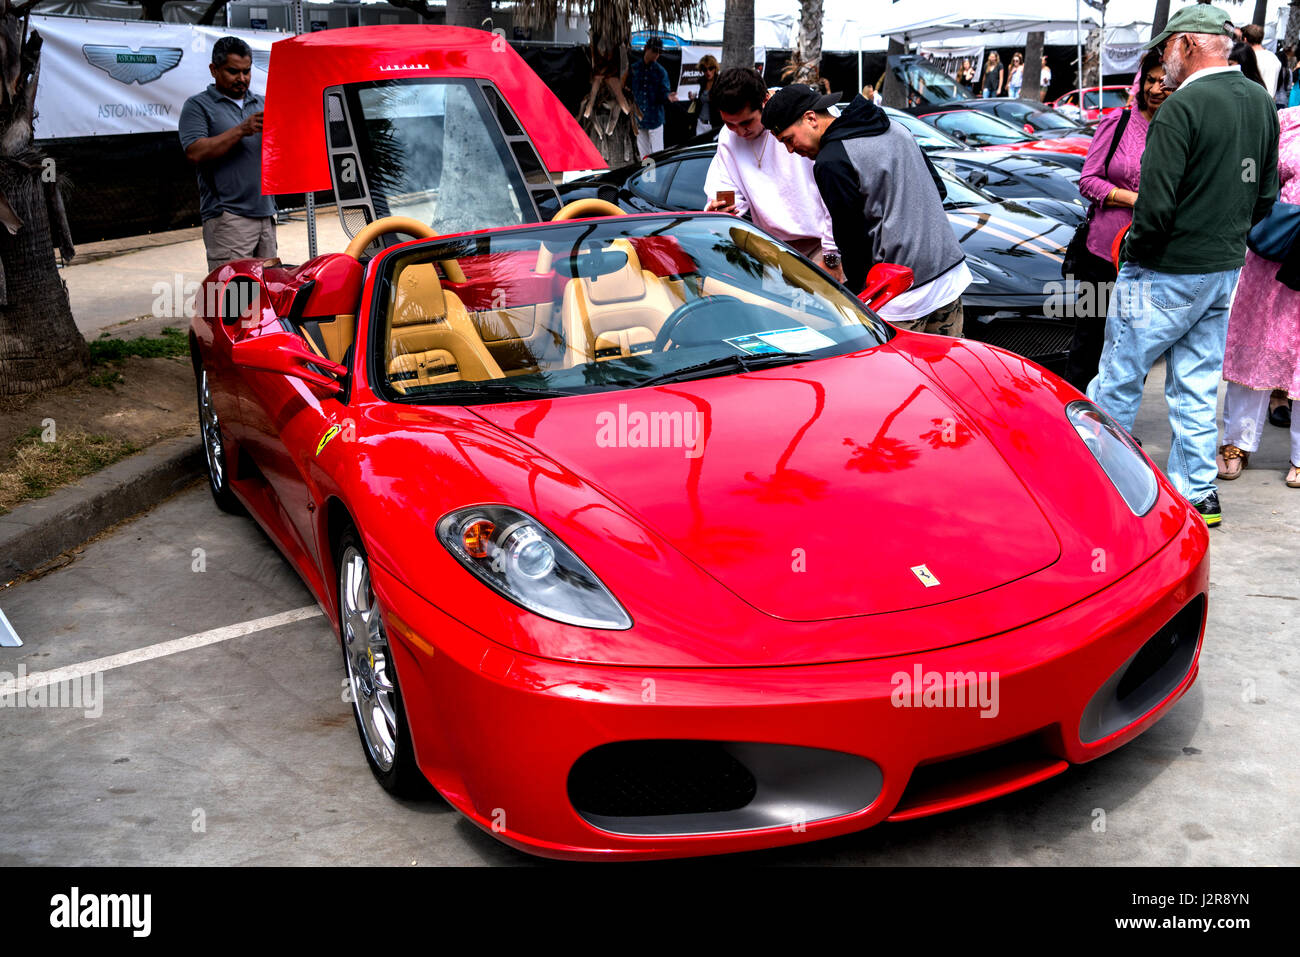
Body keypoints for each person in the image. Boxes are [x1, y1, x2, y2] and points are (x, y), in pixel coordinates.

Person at [1087, 4, 1280, 527]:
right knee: (1196, 386)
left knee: (1118, 379)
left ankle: (1107, 486)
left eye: (1168, 48)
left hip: (1166, 267)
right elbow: (1265, 192)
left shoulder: (1182, 107)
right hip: (1223, 268)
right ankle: (1198, 495)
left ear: (1190, 45)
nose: (1164, 60)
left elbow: (1156, 204)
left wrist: (1137, 255)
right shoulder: (1260, 101)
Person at [762, 84, 971, 334]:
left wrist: (861, 297)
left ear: (810, 118)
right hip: (949, 274)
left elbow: (851, 239)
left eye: (788, 139)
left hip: (899, 293)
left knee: (898, 373)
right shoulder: (895, 127)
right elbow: (938, 190)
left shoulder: (831, 161)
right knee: (942, 370)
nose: (791, 150)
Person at [1063, 50, 1169, 392]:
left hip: (1150, 256)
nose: (1155, 89)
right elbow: (1088, 180)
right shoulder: (1118, 122)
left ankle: (1115, 426)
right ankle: (1074, 421)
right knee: (1089, 340)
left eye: (1165, 83)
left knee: (1131, 346)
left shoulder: (1179, 131)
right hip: (1102, 255)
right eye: (1150, 80)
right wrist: (1135, 199)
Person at [1217, 105, 1300, 489]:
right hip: (1273, 250)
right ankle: (1237, 442)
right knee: (1255, 343)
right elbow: (1249, 171)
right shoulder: (1284, 121)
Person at [703, 69, 842, 279]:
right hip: (773, 250)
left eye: (746, 122)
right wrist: (721, 209)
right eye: (730, 124)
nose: (740, 132)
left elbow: (836, 190)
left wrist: (832, 254)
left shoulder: (799, 113)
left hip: (823, 244)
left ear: (765, 100)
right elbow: (726, 192)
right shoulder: (727, 138)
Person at [179, 36, 277, 273]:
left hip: (266, 214)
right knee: (234, 299)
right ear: (214, 69)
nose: (242, 79)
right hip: (228, 218)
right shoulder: (198, 106)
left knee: (268, 293)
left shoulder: (263, 103)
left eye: (247, 71)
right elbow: (195, 152)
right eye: (233, 71)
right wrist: (241, 130)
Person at [625, 37, 674, 158]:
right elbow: (628, 88)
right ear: (646, 49)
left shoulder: (661, 72)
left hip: (655, 119)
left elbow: (664, 93)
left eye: (659, 52)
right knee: (644, 156)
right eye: (654, 51)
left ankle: (658, 176)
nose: (656, 55)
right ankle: (648, 176)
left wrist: (667, 97)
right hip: (640, 119)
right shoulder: (634, 68)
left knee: (658, 155)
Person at [1242, 23, 1282, 96]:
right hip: (1269, 101)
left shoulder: (1248, 58)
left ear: (1245, 39)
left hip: (1252, 100)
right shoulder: (1273, 58)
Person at [687, 54, 722, 136]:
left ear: (715, 68)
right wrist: (694, 99)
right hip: (700, 123)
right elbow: (702, 101)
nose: (708, 72)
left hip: (714, 125)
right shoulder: (702, 81)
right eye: (704, 69)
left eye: (710, 68)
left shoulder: (720, 82)